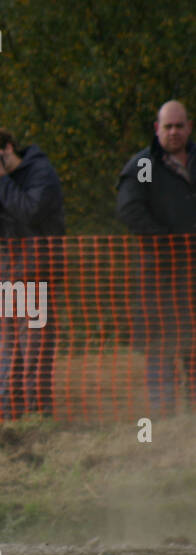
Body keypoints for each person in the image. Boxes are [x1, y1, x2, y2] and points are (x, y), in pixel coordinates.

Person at [0, 128, 64, 418]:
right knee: (9, 345)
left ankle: (38, 412)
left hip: (37, 270)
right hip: (6, 269)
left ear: (9, 148)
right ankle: (9, 410)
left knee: (36, 345)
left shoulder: (40, 171)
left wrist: (0, 180)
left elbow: (31, 211)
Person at [116, 100, 196, 416]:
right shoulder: (146, 165)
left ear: (189, 127)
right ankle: (163, 413)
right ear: (157, 129)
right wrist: (164, 238)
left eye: (179, 126)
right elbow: (130, 209)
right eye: (168, 126)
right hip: (160, 272)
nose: (174, 132)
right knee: (161, 342)